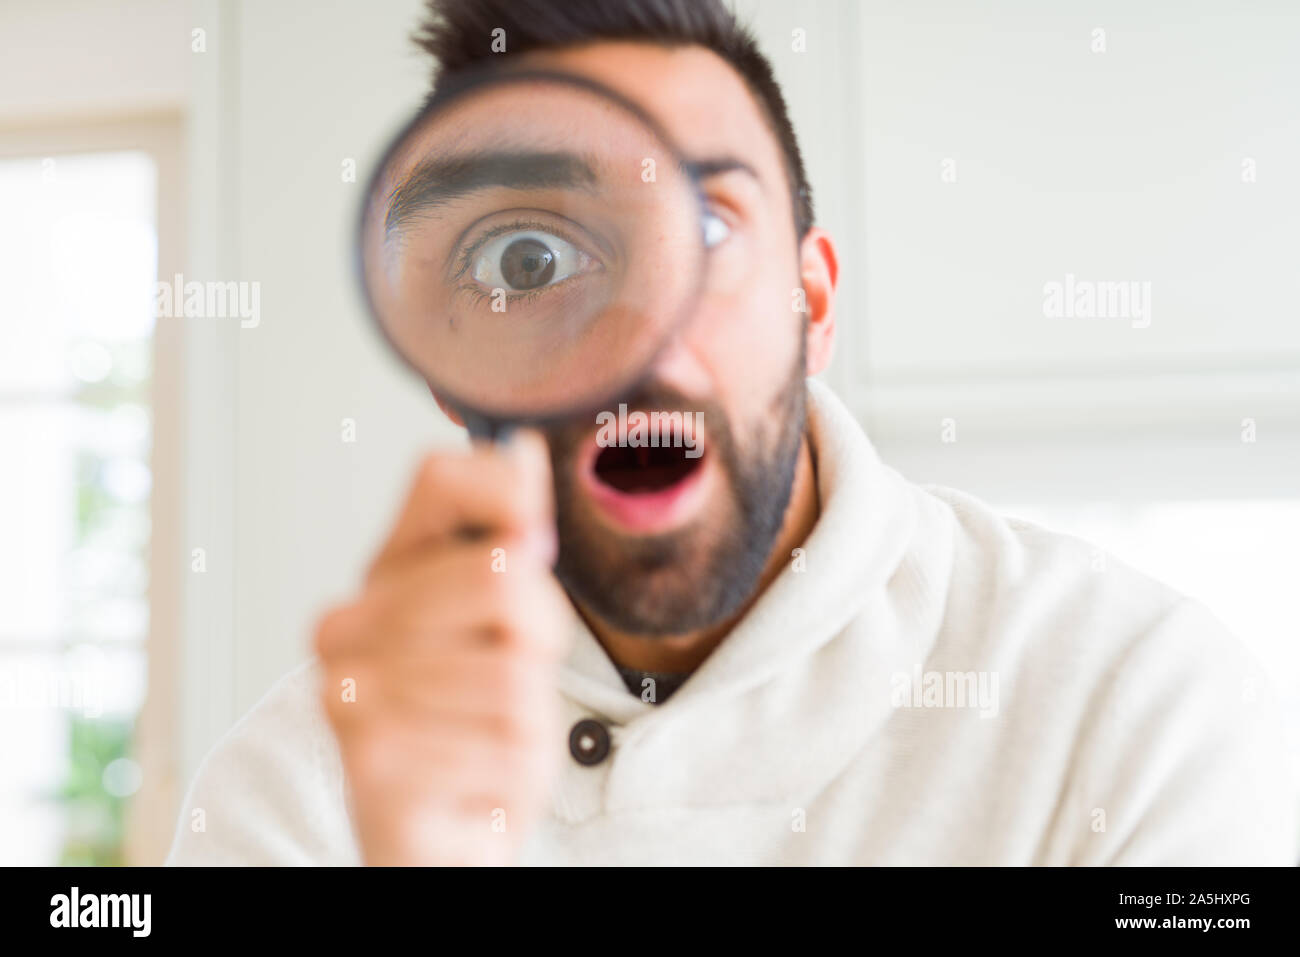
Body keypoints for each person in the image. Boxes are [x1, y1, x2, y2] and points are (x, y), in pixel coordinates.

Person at [166, 0, 1295, 866]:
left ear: (813, 305)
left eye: (708, 224)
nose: (641, 343)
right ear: (444, 370)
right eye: (526, 260)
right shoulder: (297, 798)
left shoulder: (1138, 703)